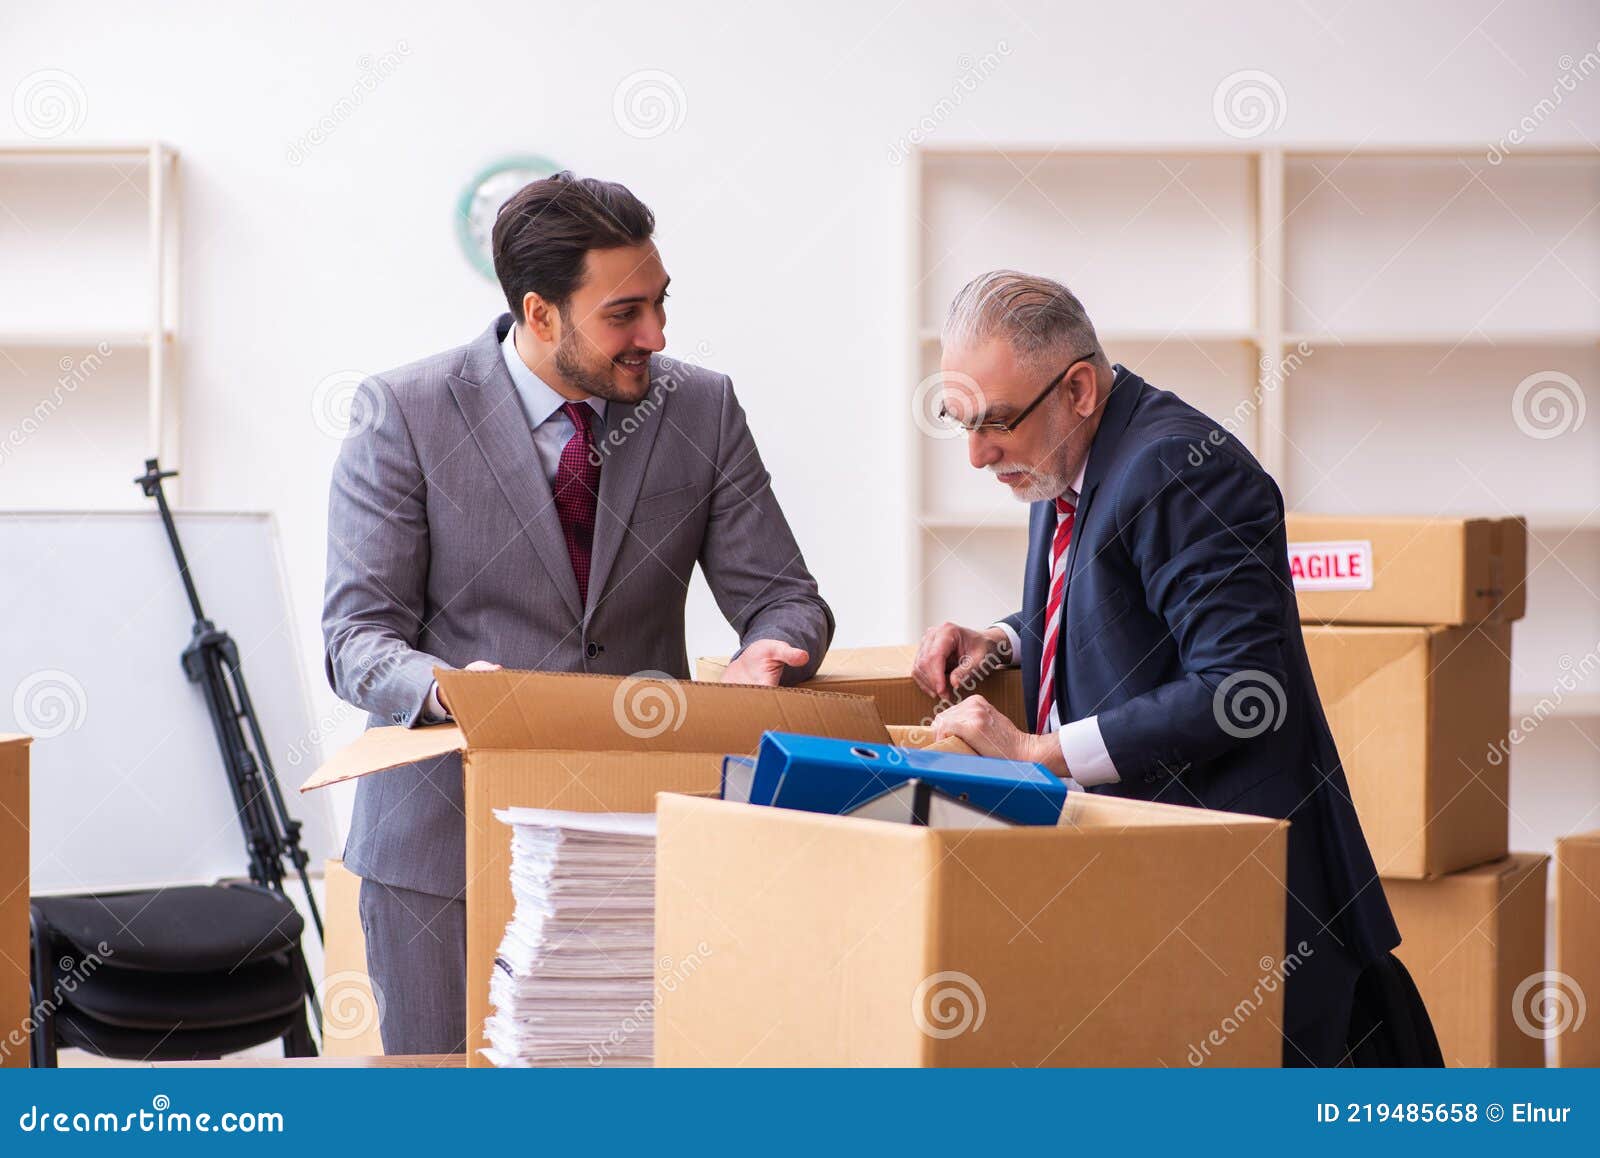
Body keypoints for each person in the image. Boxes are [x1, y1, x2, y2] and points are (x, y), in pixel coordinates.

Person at [322, 172, 832, 1054]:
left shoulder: (700, 409)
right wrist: (453, 690)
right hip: (443, 848)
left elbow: (785, 596)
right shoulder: (403, 412)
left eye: (661, 304)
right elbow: (355, 637)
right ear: (541, 312)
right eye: (624, 314)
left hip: (639, 840)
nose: (656, 336)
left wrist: (772, 654)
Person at [913, 269, 1402, 1067]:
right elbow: (1117, 621)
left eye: (994, 423)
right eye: (958, 421)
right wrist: (1001, 639)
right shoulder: (1063, 461)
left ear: (1076, 388)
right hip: (1163, 889)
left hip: (1249, 910)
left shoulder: (1178, 468)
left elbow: (1242, 692)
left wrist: (1041, 753)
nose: (975, 455)